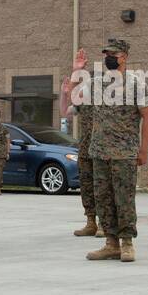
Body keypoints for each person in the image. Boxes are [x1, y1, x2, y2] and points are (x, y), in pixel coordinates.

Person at [86, 39, 148, 264]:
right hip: (99, 151)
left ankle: (127, 243)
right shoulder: (97, 84)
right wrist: (77, 71)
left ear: (124, 56)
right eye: (106, 53)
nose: (109, 57)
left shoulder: (137, 85)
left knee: (124, 199)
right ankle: (110, 243)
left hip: (124, 153)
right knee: (103, 199)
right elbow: (74, 103)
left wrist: (143, 150)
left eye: (113, 54)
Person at [61, 48, 102, 238]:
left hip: (103, 149)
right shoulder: (83, 101)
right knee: (86, 185)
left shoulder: (111, 101)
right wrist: (75, 72)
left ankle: (105, 224)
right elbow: (65, 111)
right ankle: (91, 222)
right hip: (86, 149)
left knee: (103, 186)